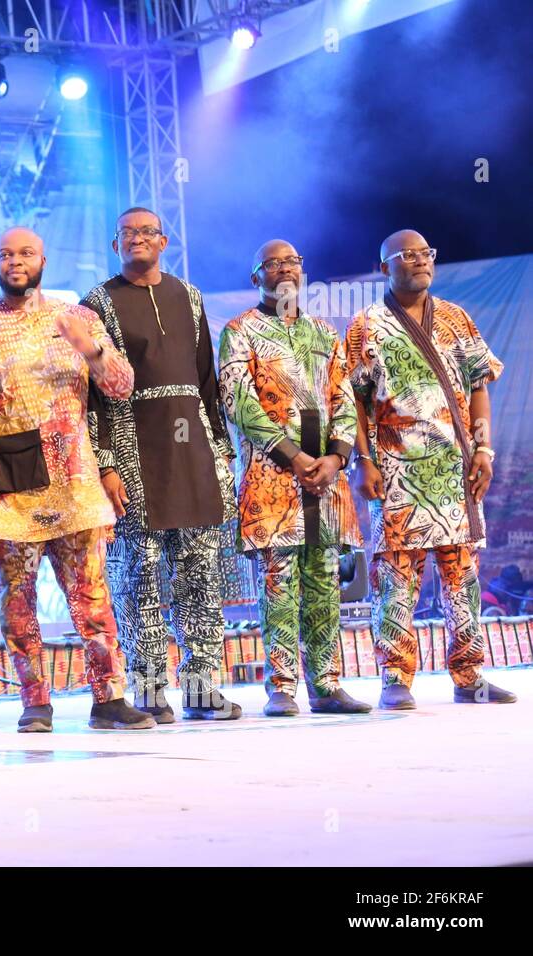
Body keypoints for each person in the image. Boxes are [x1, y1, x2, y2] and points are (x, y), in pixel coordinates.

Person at [0, 227, 154, 732]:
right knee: (18, 602)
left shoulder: (78, 318)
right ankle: (35, 702)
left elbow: (121, 388)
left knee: (93, 598)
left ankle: (109, 698)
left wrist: (91, 350)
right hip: (13, 486)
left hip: (75, 482)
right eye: (5, 254)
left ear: (44, 260)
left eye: (25, 253)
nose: (15, 261)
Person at [80, 207, 241, 721]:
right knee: (139, 578)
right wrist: (105, 465)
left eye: (146, 232)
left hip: (193, 448)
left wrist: (221, 451)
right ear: (115, 244)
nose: (136, 240)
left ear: (164, 240)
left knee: (200, 575)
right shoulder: (97, 303)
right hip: (133, 449)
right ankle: (149, 688)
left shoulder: (189, 297)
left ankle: (200, 687)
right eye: (126, 233)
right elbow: (93, 396)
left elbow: (207, 380)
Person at [346, 230, 516, 708]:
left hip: (455, 469)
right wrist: (363, 460)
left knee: (463, 576)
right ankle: (395, 678)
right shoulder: (367, 326)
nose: (420, 262)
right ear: (385, 267)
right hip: (396, 470)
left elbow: (480, 384)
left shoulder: (457, 318)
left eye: (426, 254)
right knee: (396, 579)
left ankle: (470, 675)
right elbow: (354, 402)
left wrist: (484, 450)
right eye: (408, 255)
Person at [217, 240, 370, 716]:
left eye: (293, 261)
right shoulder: (241, 331)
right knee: (279, 583)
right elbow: (237, 399)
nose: (285, 269)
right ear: (256, 276)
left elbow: (344, 397)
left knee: (326, 581)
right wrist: (292, 455)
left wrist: (337, 457)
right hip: (272, 478)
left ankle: (326, 685)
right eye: (273, 263)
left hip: (326, 482)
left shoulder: (325, 333)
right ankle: (281, 687)